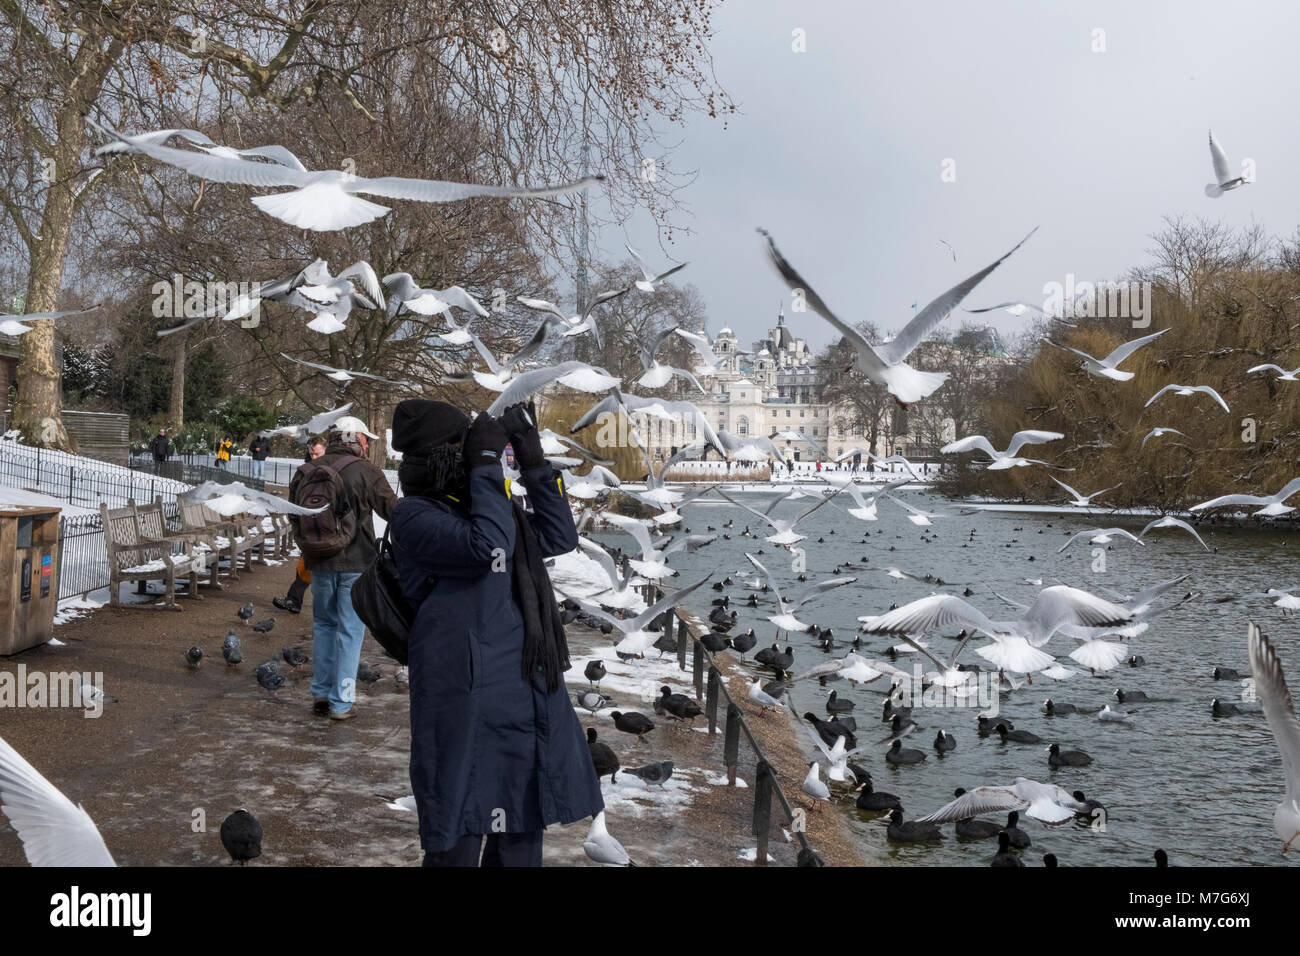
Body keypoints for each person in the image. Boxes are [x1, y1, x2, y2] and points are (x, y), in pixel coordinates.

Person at [388, 399, 601, 867]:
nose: (473, 452)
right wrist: (486, 465)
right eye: (463, 445)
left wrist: (533, 459)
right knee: (459, 837)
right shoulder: (416, 517)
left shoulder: (487, 506)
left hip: (524, 697)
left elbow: (560, 535)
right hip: (465, 703)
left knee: (520, 841)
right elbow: (487, 549)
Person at [289, 418, 396, 720]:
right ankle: (341, 702)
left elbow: (294, 514)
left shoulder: (307, 471)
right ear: (355, 439)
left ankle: (321, 694)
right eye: (366, 440)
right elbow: (393, 511)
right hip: (357, 562)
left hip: (319, 561)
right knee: (350, 630)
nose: (367, 445)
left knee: (323, 625)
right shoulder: (367, 471)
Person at [274, 437, 326, 614]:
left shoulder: (332, 469)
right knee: (305, 564)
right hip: (308, 524)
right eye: (312, 453)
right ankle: (294, 600)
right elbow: (293, 498)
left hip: (327, 524)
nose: (314, 456)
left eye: (317, 453)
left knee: (312, 565)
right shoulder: (303, 472)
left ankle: (295, 600)